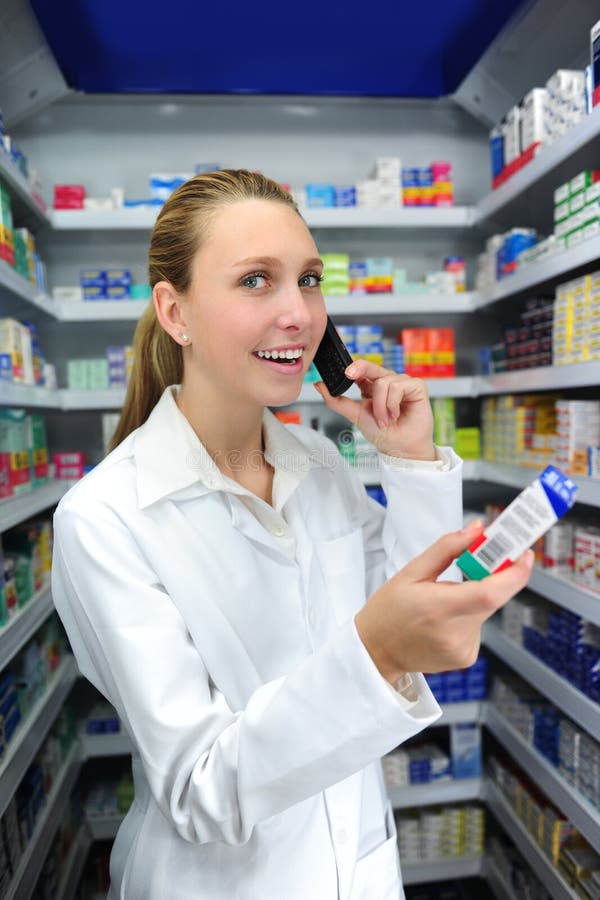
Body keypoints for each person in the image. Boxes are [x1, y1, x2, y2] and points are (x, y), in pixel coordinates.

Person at [51, 169, 533, 900]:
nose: (299, 314)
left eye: (308, 280)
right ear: (175, 312)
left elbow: (423, 618)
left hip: (360, 869)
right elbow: (198, 788)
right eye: (256, 280)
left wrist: (410, 461)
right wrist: (375, 652)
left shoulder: (318, 462)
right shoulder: (105, 517)